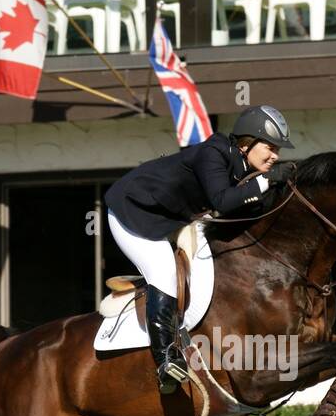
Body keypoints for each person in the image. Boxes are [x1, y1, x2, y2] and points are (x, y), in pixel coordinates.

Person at [104, 105, 298, 393]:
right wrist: (266, 181)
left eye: (278, 150)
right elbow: (222, 201)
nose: (275, 156)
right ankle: (166, 361)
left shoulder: (243, 166)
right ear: (246, 143)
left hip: (170, 217)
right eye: (270, 147)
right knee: (164, 273)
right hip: (134, 214)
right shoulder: (214, 152)